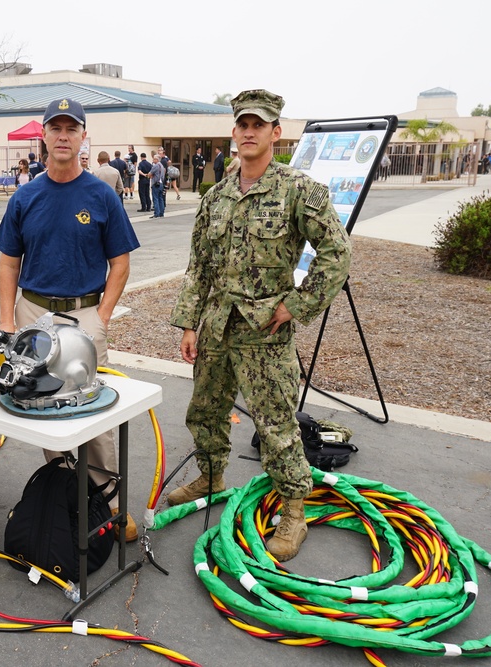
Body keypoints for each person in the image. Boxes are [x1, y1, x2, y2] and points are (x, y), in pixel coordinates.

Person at [168, 89, 351, 562]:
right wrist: (189, 324)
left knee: (275, 424)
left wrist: (299, 304)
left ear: (276, 132)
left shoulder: (298, 190)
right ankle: (210, 476)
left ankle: (294, 512)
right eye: (242, 124)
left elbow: (337, 253)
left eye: (259, 125)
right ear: (234, 132)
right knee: (205, 410)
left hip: (264, 330)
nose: (249, 132)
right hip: (216, 327)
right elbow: (200, 266)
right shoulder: (217, 197)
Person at [0, 98, 141, 542]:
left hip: (83, 314)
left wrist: (103, 314)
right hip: (33, 314)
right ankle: (62, 493)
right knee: (43, 405)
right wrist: (7, 320)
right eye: (54, 128)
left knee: (95, 410)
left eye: (70, 129)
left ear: (82, 137)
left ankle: (109, 502)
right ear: (44, 136)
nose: (62, 136)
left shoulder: (101, 195)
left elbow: (121, 262)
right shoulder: (26, 195)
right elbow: (7, 264)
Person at [148, 152, 166, 218]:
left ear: (157, 159)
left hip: (155, 183)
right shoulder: (162, 166)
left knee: (155, 198)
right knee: (160, 198)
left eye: (154, 159)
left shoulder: (155, 166)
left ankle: (156, 213)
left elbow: (149, 174)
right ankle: (162, 212)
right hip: (161, 183)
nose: (153, 160)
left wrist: (150, 175)